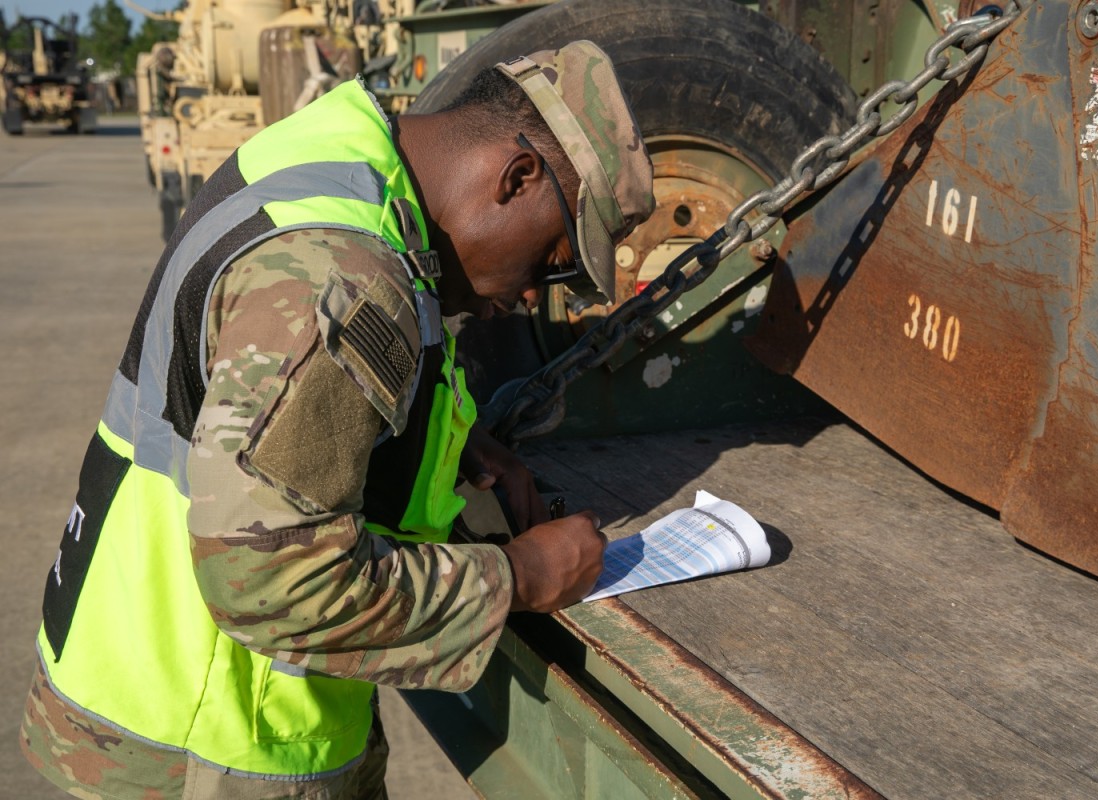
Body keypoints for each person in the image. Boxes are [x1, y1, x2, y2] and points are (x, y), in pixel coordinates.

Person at [20, 40, 654, 799]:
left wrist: (445, 439)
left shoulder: (336, 153)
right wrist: (522, 576)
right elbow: (271, 581)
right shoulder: (343, 272)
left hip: (136, 669)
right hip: (216, 742)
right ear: (515, 177)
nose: (530, 295)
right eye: (552, 256)